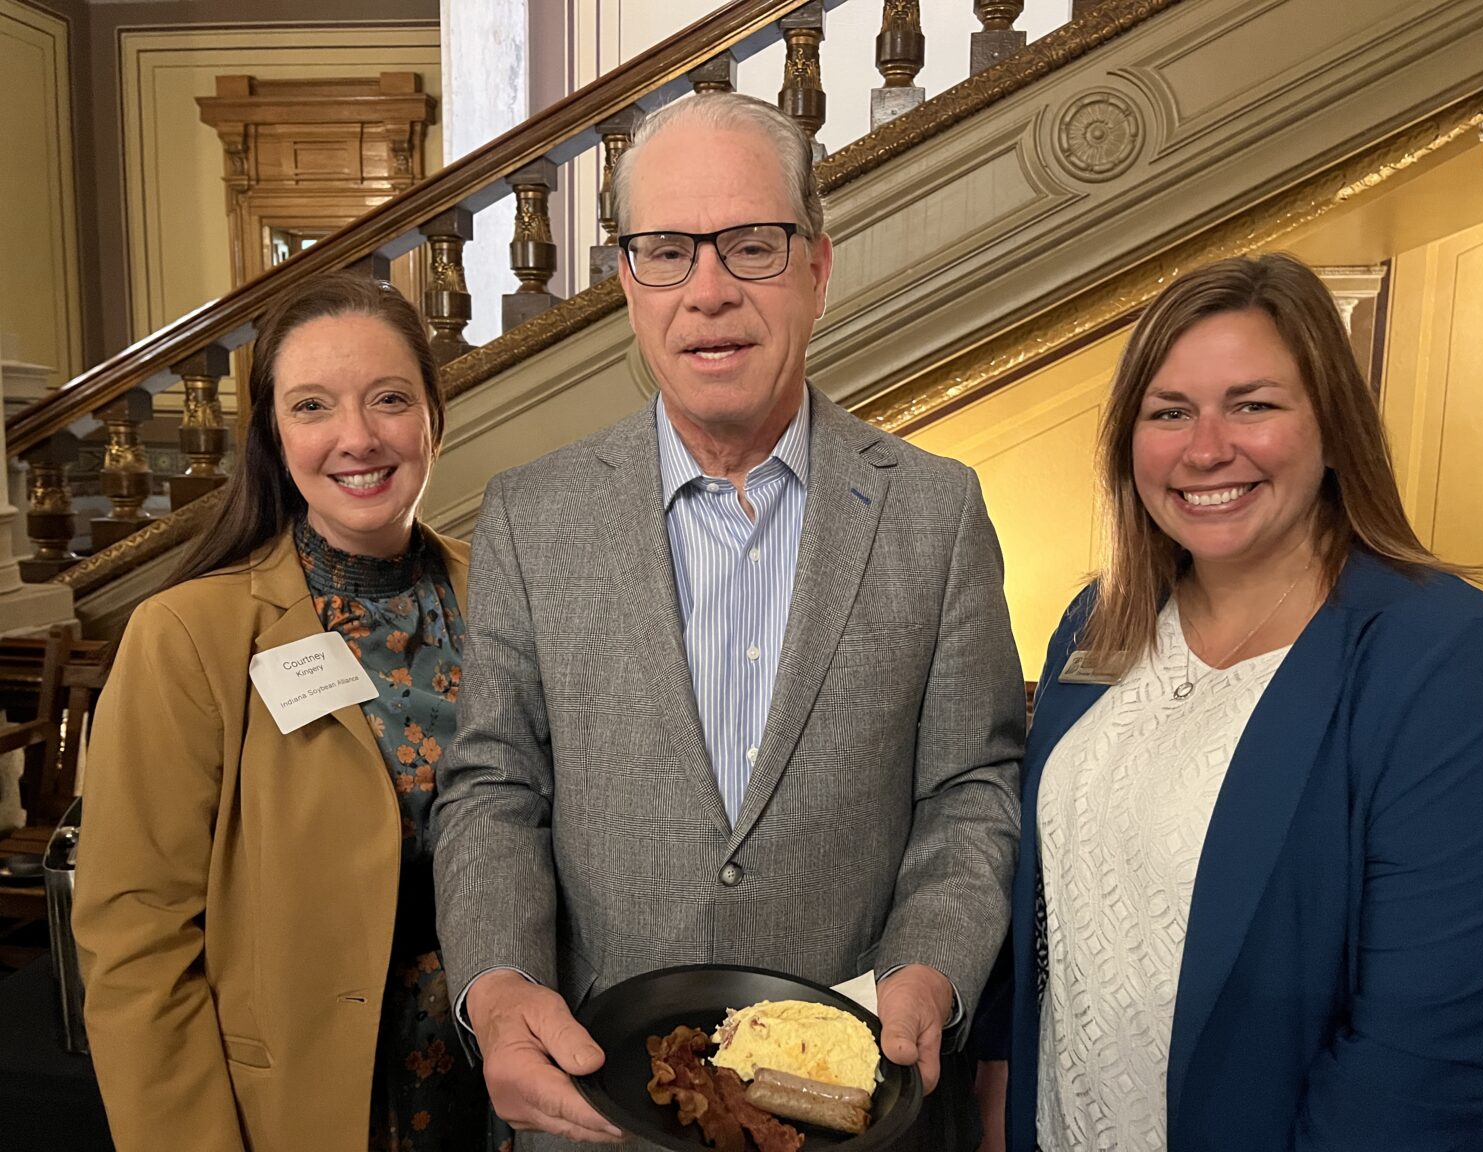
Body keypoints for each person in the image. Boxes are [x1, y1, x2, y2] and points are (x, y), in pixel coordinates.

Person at [432, 92, 1027, 1150]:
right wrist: (498, 980)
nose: (708, 291)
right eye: (666, 251)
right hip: (598, 1101)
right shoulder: (531, 516)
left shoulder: (936, 513)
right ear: (628, 283)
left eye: (752, 245)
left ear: (818, 269)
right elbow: (494, 787)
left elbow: (970, 789)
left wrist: (931, 963)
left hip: (858, 1105)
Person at [974, 252, 1483, 1151]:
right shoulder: (1099, 620)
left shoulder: (1454, 662)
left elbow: (1425, 1057)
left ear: (1333, 428)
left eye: (1253, 405)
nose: (1206, 448)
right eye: (1169, 412)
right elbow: (1043, 914)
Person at [73, 273, 512, 1152]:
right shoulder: (187, 637)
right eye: (313, 406)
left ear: (434, 416)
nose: (358, 437)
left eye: (390, 398)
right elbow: (136, 942)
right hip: (308, 1109)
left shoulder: (508, 591)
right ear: (274, 437)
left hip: (507, 1093)